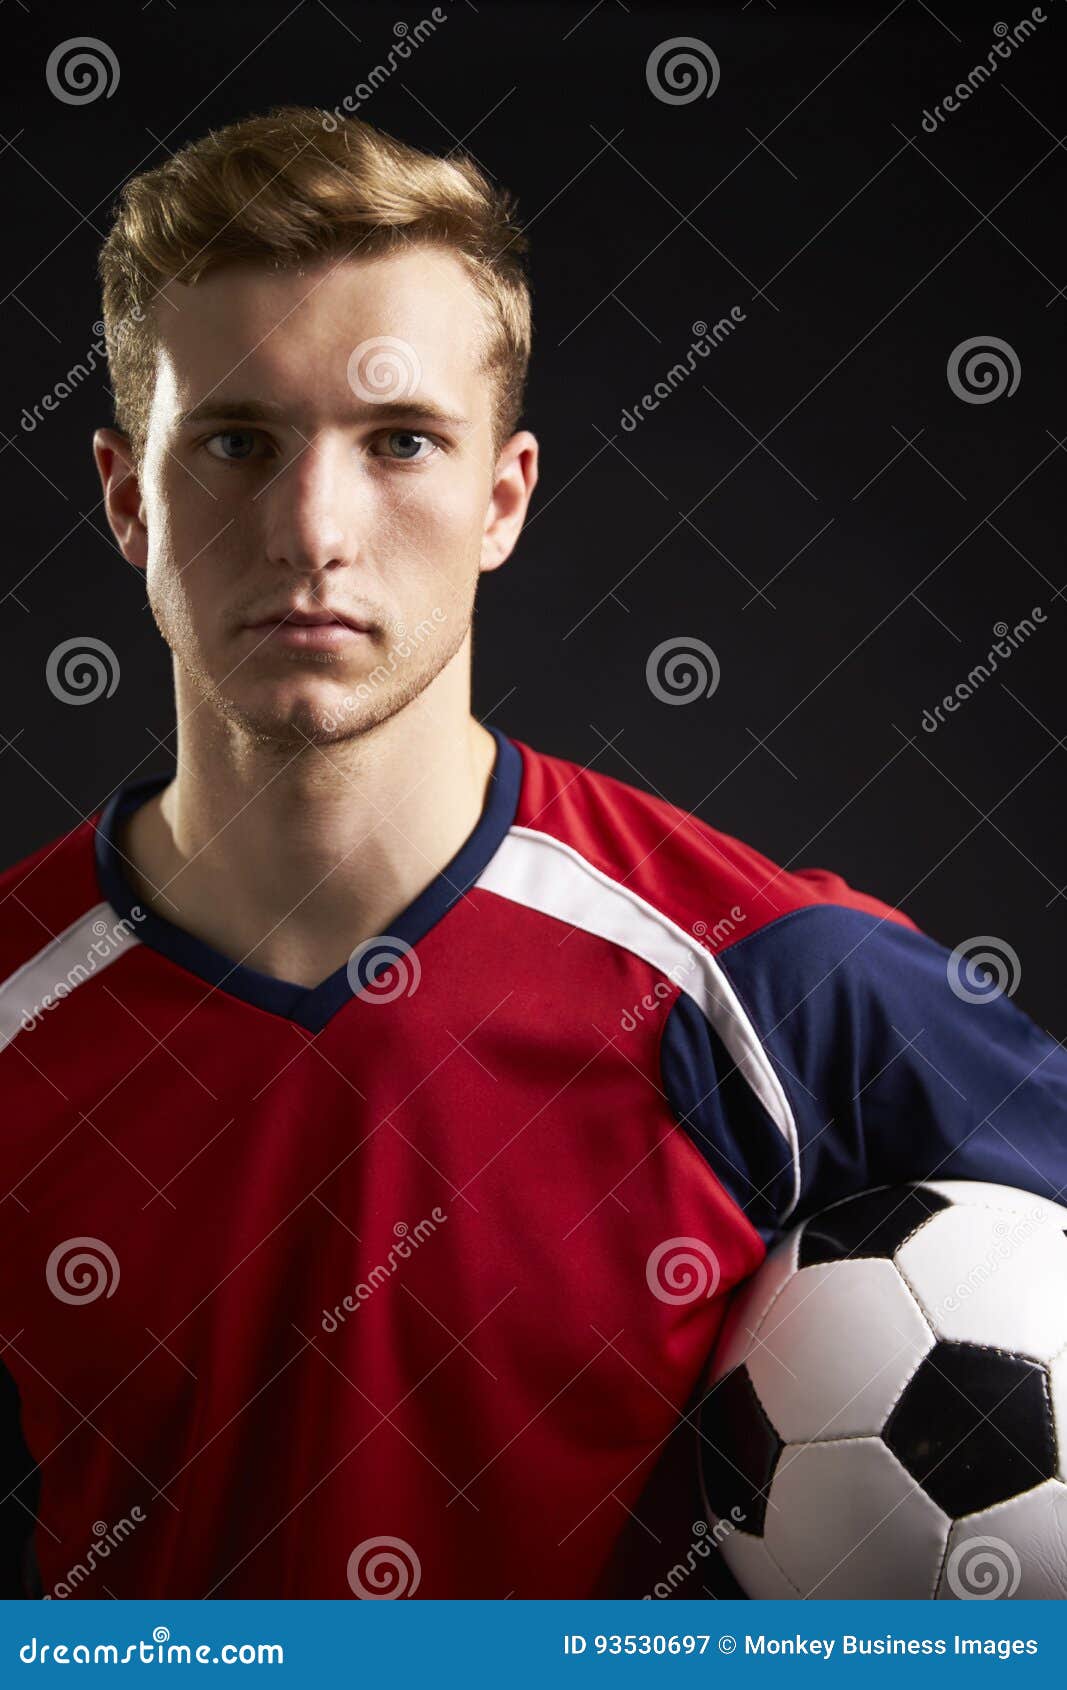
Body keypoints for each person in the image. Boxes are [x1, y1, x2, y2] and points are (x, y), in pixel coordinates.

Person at [1, 106, 1064, 1601]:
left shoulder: (770, 989)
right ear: (129, 494)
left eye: (400, 443)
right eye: (238, 440)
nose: (314, 526)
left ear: (502, 497)